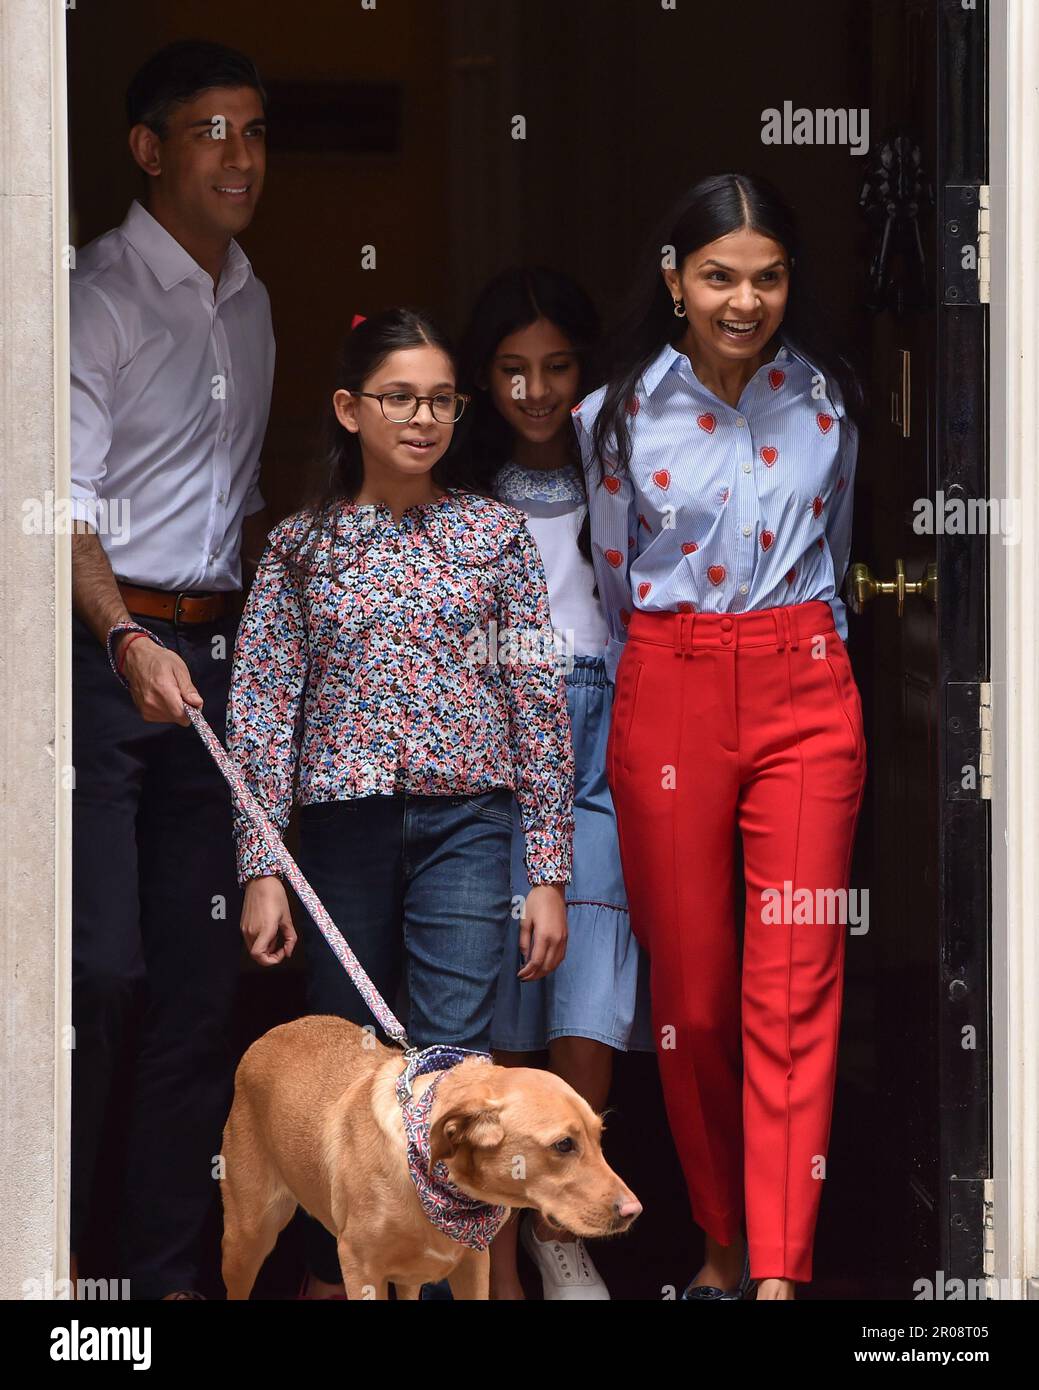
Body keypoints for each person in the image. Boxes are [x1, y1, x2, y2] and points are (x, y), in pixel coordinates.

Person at [225, 307, 575, 1299]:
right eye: (398, 398)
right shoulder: (300, 549)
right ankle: (347, 1277)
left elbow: (536, 704)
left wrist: (546, 870)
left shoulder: (492, 537)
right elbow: (258, 715)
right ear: (349, 409)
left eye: (440, 400)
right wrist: (260, 869)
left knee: (455, 1064)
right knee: (349, 1065)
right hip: (338, 837)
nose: (422, 418)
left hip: (470, 827)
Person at [576, 173, 867, 1301]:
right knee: (691, 1002)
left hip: (804, 682)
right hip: (671, 680)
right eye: (718, 277)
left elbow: (835, 553)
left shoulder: (829, 396)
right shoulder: (620, 412)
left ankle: (780, 1273)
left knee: (791, 985)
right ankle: (722, 1241)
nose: (744, 300)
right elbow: (611, 578)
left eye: (767, 277)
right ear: (674, 279)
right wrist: (676, 667)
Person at [68, 40, 274, 1299]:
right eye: (211, 131)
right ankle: (58, 1265)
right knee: (104, 972)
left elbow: (238, 503)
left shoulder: (251, 294)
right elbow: (57, 502)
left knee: (203, 995)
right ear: (150, 149)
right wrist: (123, 637)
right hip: (102, 656)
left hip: (220, 650)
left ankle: (160, 1285)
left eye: (254, 132)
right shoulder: (95, 294)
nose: (240, 156)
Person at [457, 268, 653, 1300]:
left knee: (591, 973)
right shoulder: (458, 486)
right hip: (495, 740)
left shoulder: (621, 467)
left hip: (608, 732)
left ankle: (561, 1224)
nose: (535, 390)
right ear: (481, 380)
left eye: (557, 367)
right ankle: (492, 1237)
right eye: (510, 370)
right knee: (494, 984)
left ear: (589, 372)